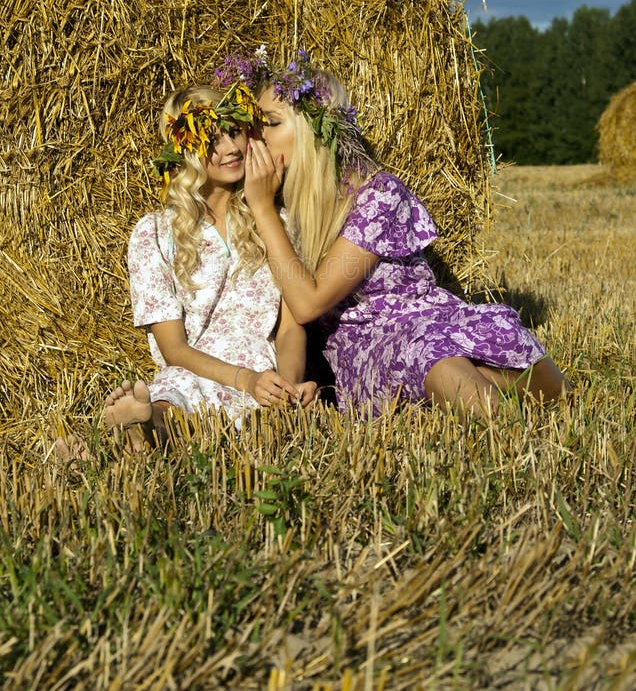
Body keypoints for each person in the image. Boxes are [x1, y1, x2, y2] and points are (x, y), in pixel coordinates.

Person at [237, 49, 571, 419]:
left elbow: (310, 301)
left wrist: (262, 209)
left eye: (270, 122)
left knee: (552, 390)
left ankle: (491, 389)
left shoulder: (379, 195)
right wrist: (266, 210)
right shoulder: (287, 214)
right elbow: (297, 311)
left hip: (431, 320)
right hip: (371, 346)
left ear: (312, 129)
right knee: (456, 380)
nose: (256, 136)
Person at [83, 77, 317, 452]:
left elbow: (292, 328)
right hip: (196, 369)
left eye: (232, 132)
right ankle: (147, 424)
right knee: (177, 396)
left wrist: (285, 387)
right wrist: (244, 379)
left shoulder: (279, 224)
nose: (229, 148)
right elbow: (174, 349)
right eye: (211, 141)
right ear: (185, 153)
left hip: (263, 372)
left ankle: (135, 439)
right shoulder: (155, 233)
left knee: (231, 415)